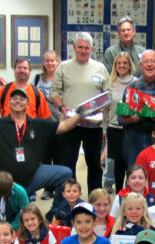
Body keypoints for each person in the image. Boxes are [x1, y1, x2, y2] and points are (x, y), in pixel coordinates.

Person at [0, 87, 89, 217]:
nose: (18, 101)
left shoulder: (38, 124)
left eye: (22, 99)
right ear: (8, 103)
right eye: (14, 98)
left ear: (28, 104)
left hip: (34, 176)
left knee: (65, 173)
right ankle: (14, 204)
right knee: (11, 221)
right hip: (7, 184)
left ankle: (56, 213)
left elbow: (64, 126)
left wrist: (81, 115)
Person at [51, 33, 110, 191]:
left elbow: (107, 96)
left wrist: (100, 109)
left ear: (91, 49)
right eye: (80, 47)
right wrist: (62, 107)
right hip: (70, 124)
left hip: (94, 125)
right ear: (74, 48)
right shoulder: (63, 67)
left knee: (94, 164)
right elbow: (54, 92)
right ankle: (71, 198)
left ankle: (95, 197)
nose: (83, 51)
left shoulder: (100, 68)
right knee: (68, 164)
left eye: (86, 48)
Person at [106, 52, 136, 190]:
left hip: (132, 128)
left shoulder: (136, 83)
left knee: (131, 164)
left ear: (130, 65)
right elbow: (105, 108)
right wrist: (103, 128)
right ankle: (119, 194)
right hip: (114, 128)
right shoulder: (109, 83)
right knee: (118, 165)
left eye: (125, 63)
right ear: (115, 66)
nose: (122, 66)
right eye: (119, 63)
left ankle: (131, 193)